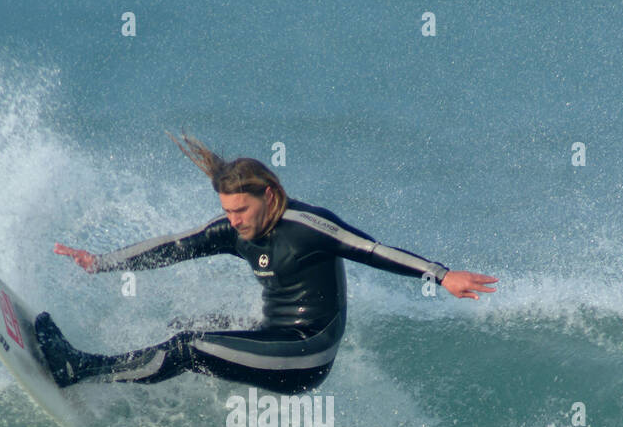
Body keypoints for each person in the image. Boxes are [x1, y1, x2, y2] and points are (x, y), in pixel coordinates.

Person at [36, 133, 496, 395]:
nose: (233, 221)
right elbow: (176, 245)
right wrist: (100, 262)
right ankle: (125, 382)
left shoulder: (309, 226)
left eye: (241, 211)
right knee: (194, 324)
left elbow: (373, 250)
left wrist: (441, 274)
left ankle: (81, 371)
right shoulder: (234, 229)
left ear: (269, 196)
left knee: (189, 346)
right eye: (228, 210)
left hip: (306, 355)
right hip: (271, 335)